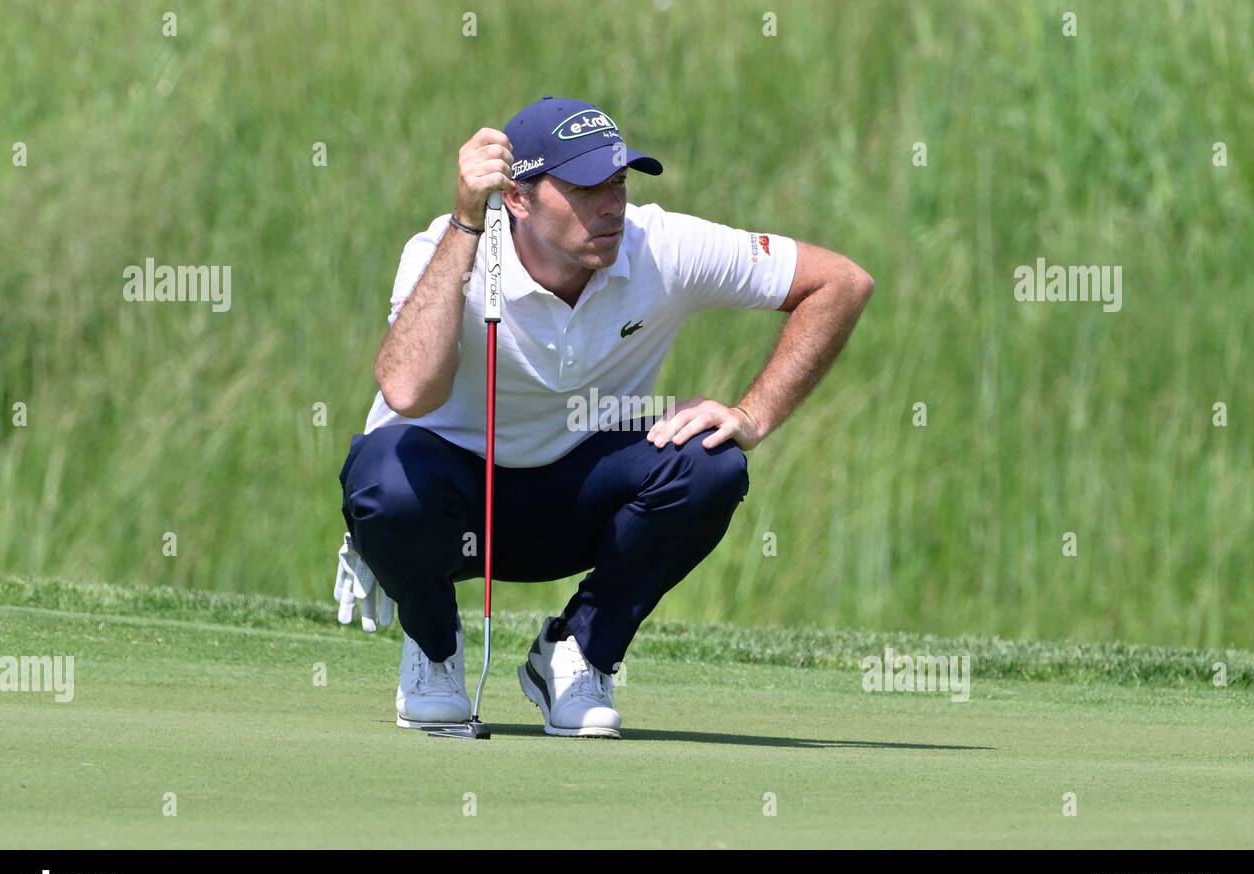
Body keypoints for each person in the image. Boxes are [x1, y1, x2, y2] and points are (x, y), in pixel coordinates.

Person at [337, 96, 874, 738]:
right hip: (446, 505)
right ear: (518, 197)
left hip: (571, 501)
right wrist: (462, 223)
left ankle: (579, 655)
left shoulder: (660, 245)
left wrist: (752, 414)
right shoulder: (448, 247)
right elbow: (407, 391)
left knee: (710, 463)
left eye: (618, 181)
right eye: (586, 186)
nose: (612, 203)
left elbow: (840, 282)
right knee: (384, 483)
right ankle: (433, 648)